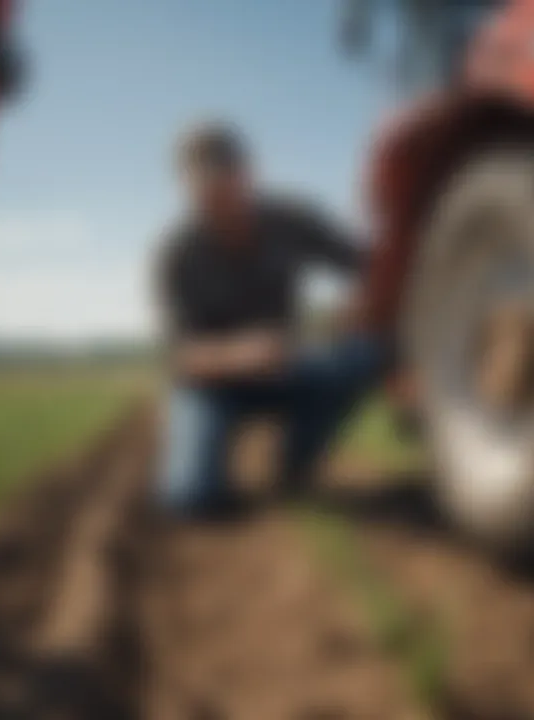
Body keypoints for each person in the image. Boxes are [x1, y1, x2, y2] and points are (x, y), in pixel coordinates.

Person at [157, 122, 391, 516]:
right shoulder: (177, 255)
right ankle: (207, 469)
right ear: (186, 189)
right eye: (202, 192)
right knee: (189, 498)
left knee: (363, 354)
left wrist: (362, 302)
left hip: (284, 370)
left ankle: (292, 465)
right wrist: (239, 354)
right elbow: (180, 357)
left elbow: (369, 266)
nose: (215, 202)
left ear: (246, 175)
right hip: (213, 388)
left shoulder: (292, 220)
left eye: (223, 186)